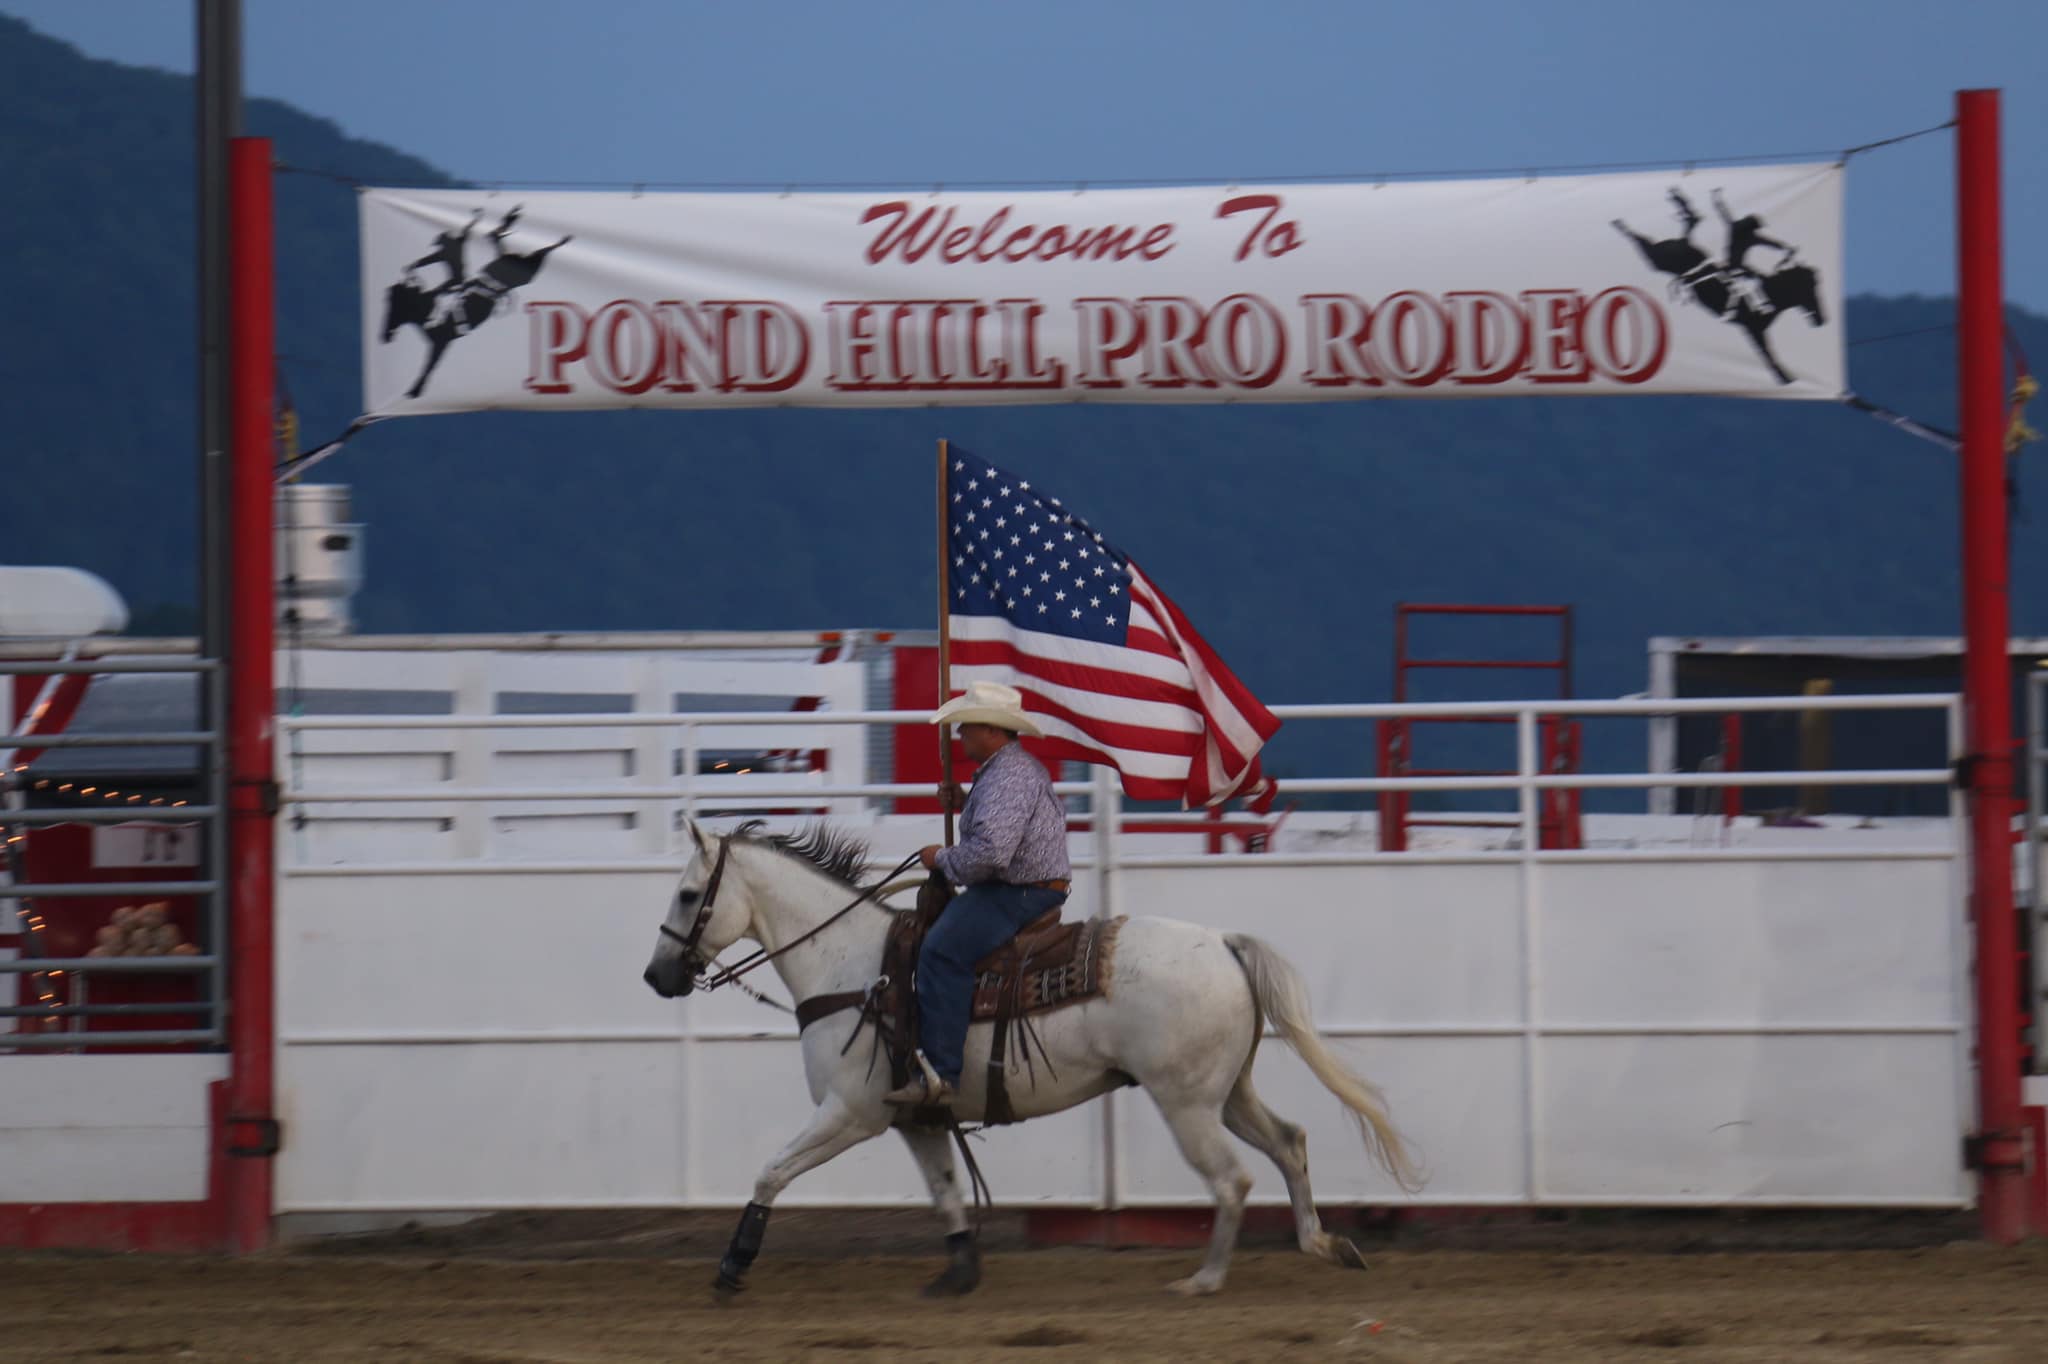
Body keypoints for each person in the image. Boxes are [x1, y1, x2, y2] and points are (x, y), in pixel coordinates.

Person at [884, 680, 1070, 1107]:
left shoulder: (1008, 778)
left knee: (940, 950)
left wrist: (940, 858)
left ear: (991, 729)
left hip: (1018, 891)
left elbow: (990, 856)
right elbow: (1002, 830)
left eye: (966, 725)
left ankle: (942, 1073)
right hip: (1024, 885)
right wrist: (968, 801)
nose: (959, 734)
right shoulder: (1009, 772)